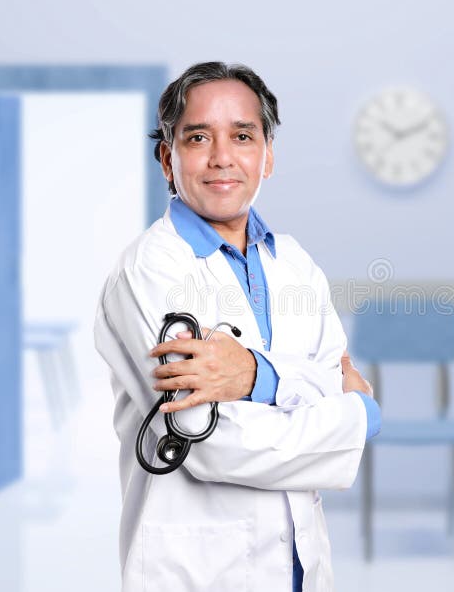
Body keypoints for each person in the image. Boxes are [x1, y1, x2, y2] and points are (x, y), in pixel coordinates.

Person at [94, 61, 381, 592]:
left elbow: (333, 379)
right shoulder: (148, 270)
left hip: (300, 568)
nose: (222, 157)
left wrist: (252, 376)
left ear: (268, 155)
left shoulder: (294, 263)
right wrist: (356, 417)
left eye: (243, 136)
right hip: (196, 571)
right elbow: (208, 439)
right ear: (167, 159)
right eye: (198, 137)